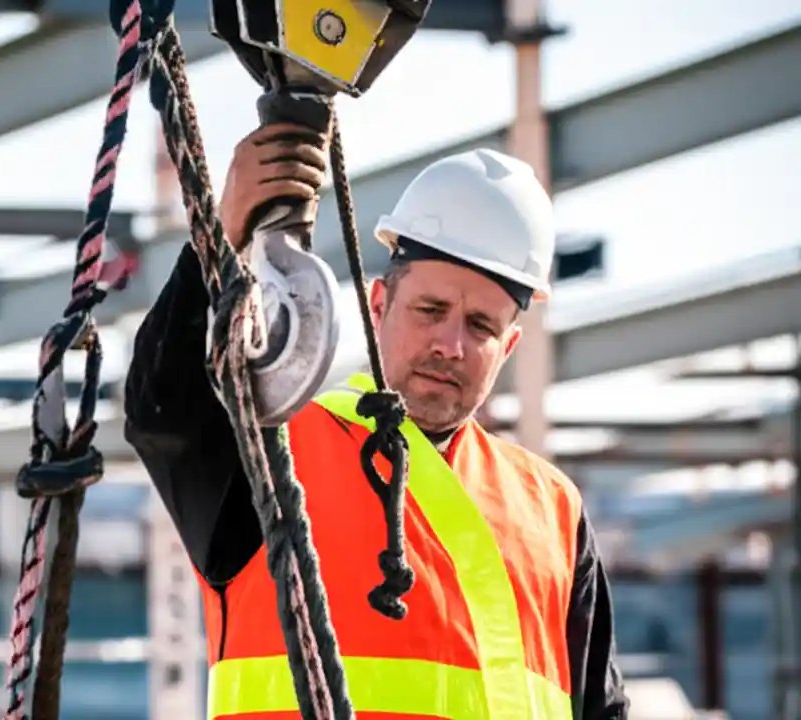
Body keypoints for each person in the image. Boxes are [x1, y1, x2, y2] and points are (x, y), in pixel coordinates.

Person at [123, 123, 630, 719]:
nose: (451, 345)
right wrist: (221, 239)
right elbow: (163, 408)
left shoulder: (553, 509)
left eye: (481, 327)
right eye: (431, 310)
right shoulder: (275, 456)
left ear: (510, 345)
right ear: (379, 304)